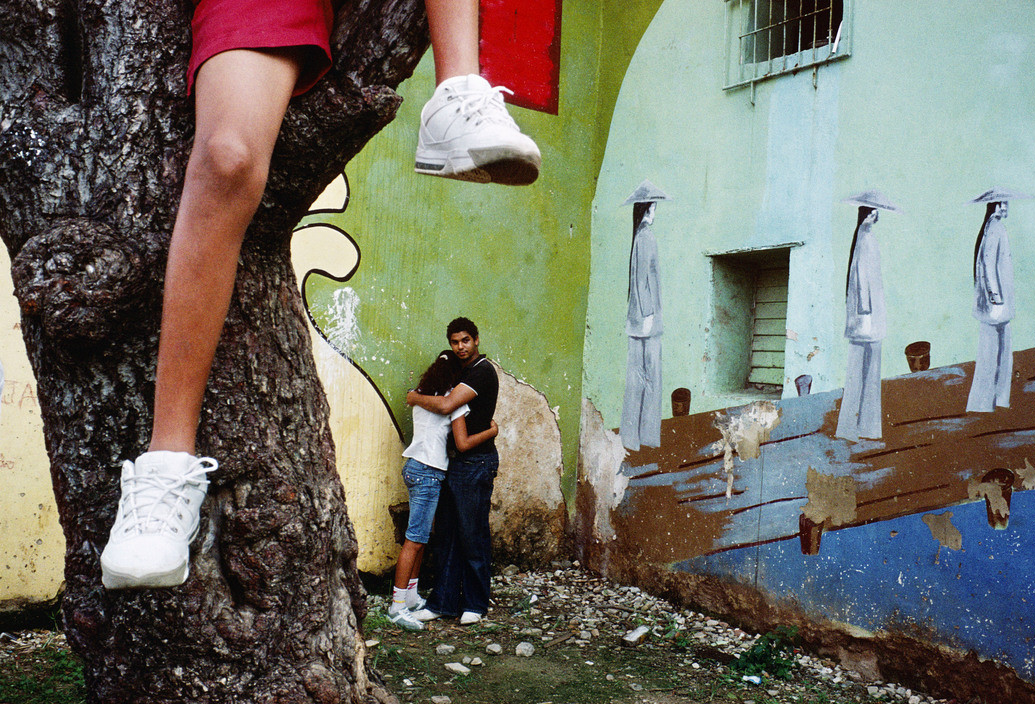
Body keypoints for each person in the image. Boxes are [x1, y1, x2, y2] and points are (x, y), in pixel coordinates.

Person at [100, 1, 539, 589]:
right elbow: (437, 405)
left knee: (462, 539)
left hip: (459, 466)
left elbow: (448, 411)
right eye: (454, 337)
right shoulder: (456, 369)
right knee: (227, 158)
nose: (457, 342)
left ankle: (457, 87)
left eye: (463, 337)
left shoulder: (477, 372)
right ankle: (166, 465)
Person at [389, 350, 498, 631]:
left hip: (415, 467)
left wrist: (414, 396)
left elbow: (434, 405)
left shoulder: (421, 398)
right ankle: (397, 606)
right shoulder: (452, 403)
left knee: (425, 537)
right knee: (417, 539)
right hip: (429, 472)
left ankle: (413, 597)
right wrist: (491, 432)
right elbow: (461, 443)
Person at [835, 190, 901, 442]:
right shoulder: (865, 239)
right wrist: (864, 308)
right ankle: (856, 428)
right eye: (873, 212)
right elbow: (861, 279)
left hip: (869, 317)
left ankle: (865, 428)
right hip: (867, 318)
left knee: (865, 371)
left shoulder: (866, 238)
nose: (876, 215)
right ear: (867, 214)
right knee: (863, 370)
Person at [965, 189, 1027, 413]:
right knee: (994, 351)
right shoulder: (996, 228)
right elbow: (989, 265)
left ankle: (998, 399)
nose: (1007, 207)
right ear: (997, 206)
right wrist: (996, 296)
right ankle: (990, 401)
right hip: (997, 305)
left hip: (996, 304)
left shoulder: (991, 227)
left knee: (997, 350)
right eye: (1004, 204)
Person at [619, 180, 670, 451]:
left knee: (637, 379)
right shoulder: (646, 237)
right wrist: (648, 313)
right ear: (649, 208)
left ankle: (632, 437)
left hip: (637, 320)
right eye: (654, 207)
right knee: (651, 379)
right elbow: (643, 281)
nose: (656, 211)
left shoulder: (637, 237)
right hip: (647, 321)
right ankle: (647, 436)